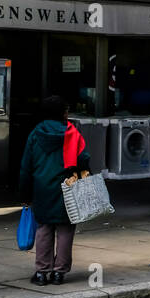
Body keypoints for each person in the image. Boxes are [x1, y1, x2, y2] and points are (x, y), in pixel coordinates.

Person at [19, 97, 91, 286]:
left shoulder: (36, 133)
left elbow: (26, 166)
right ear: (61, 113)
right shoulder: (72, 132)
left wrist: (25, 195)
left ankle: (42, 272)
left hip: (42, 188)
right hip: (67, 186)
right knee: (65, 229)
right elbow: (84, 158)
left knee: (44, 228)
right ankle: (59, 273)